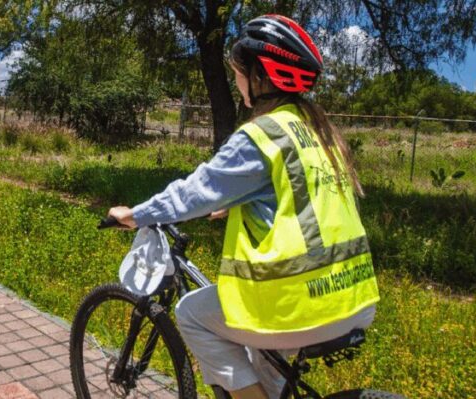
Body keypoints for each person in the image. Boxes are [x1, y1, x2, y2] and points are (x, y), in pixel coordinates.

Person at [107, 15, 380, 399]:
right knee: (262, 359)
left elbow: (194, 192)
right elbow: (299, 200)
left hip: (300, 302)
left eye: (238, 71)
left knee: (190, 313)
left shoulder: (262, 134)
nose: (235, 79)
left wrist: (134, 215)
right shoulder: (319, 131)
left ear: (260, 76)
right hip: (352, 297)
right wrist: (239, 203)